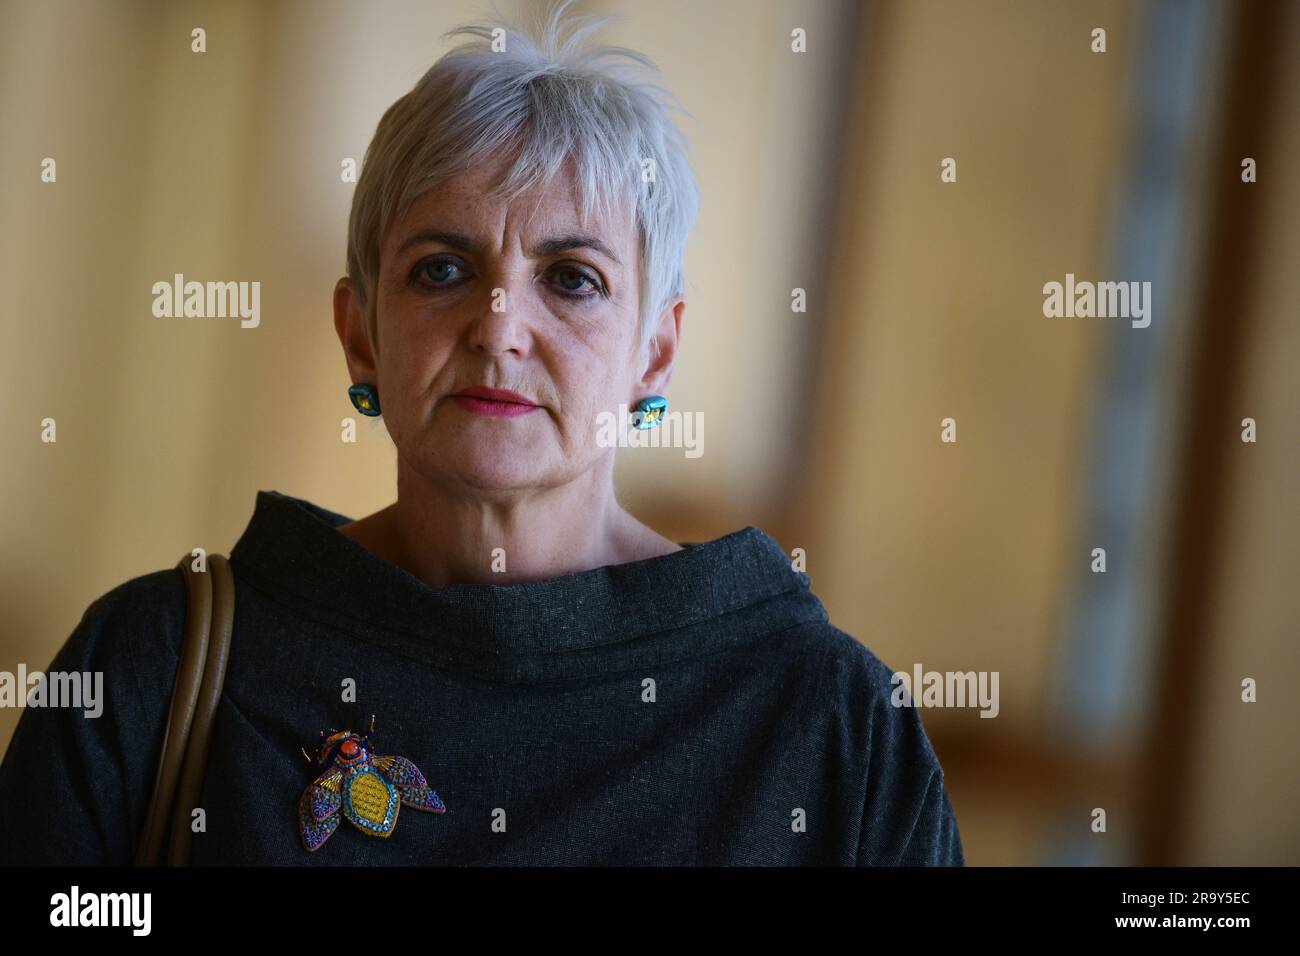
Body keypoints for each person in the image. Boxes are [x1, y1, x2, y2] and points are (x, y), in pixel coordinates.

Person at [0, 0, 963, 866]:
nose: (500, 324)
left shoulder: (826, 724)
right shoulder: (154, 663)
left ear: (655, 357)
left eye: (573, 278)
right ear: (361, 333)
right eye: (441, 269)